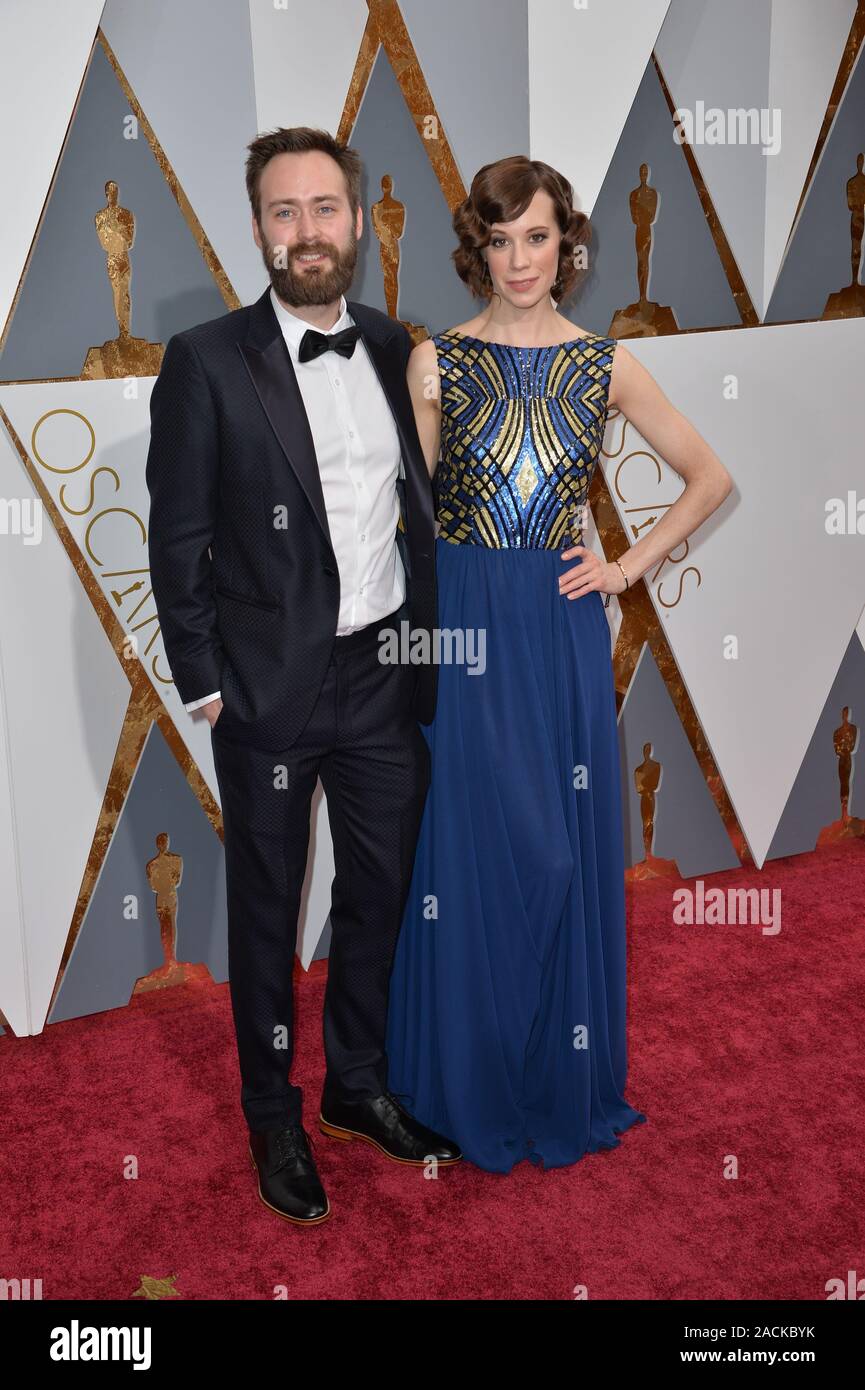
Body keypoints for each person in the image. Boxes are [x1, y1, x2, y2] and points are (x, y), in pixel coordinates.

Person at [385, 155, 733, 1172]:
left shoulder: (605, 364)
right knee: (465, 850)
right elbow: (405, 522)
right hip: (464, 622)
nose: (519, 259)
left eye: (536, 237)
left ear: (566, 244)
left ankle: (552, 1072)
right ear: (476, 249)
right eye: (500, 240)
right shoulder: (434, 364)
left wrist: (623, 565)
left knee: (555, 851)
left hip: (559, 618)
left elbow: (709, 477)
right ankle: (461, 1077)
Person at [145, 127, 462, 1227]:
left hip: (383, 675)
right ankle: (272, 1113)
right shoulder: (205, 359)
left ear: (358, 220)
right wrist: (207, 684)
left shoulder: (390, 343)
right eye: (284, 212)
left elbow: (416, 514)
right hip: (267, 690)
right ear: (258, 228)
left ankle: (354, 1087)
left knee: (376, 892)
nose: (307, 231)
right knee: (268, 914)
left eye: (325, 208)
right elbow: (176, 536)